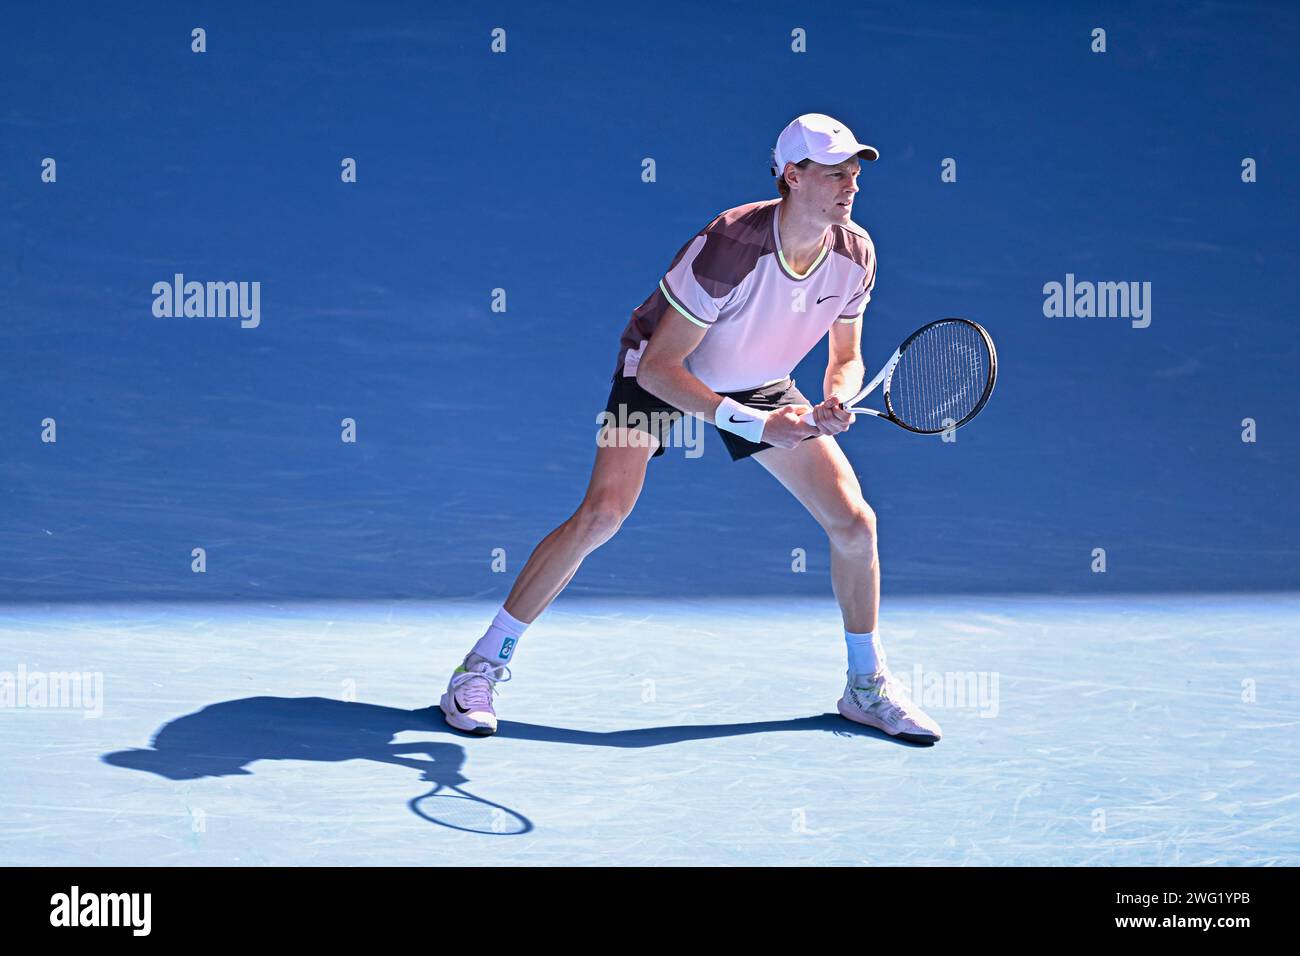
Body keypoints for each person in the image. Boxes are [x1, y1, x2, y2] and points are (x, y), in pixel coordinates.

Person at [440, 113, 942, 744]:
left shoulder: (855, 252)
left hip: (761, 381)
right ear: (793, 175)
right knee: (602, 515)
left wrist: (833, 401)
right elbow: (659, 368)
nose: (852, 185)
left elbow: (845, 358)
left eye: (856, 173)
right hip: (663, 375)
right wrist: (755, 424)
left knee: (855, 523)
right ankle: (479, 667)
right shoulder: (730, 245)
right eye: (836, 172)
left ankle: (865, 687)